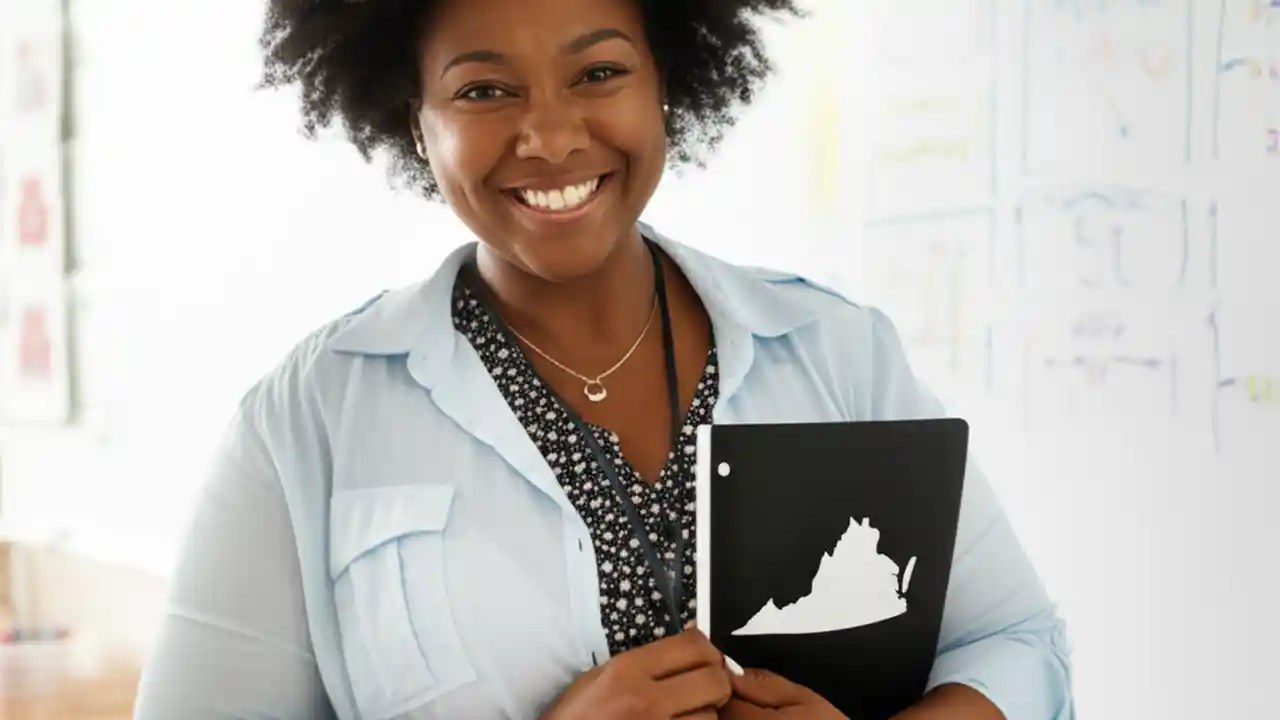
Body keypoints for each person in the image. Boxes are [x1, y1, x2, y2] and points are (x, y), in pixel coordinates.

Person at [135, 0, 1074, 718]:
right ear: (415, 121)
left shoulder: (837, 353)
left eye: (597, 73)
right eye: (484, 90)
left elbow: (1018, 646)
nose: (550, 136)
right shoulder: (310, 418)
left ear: (665, 80)